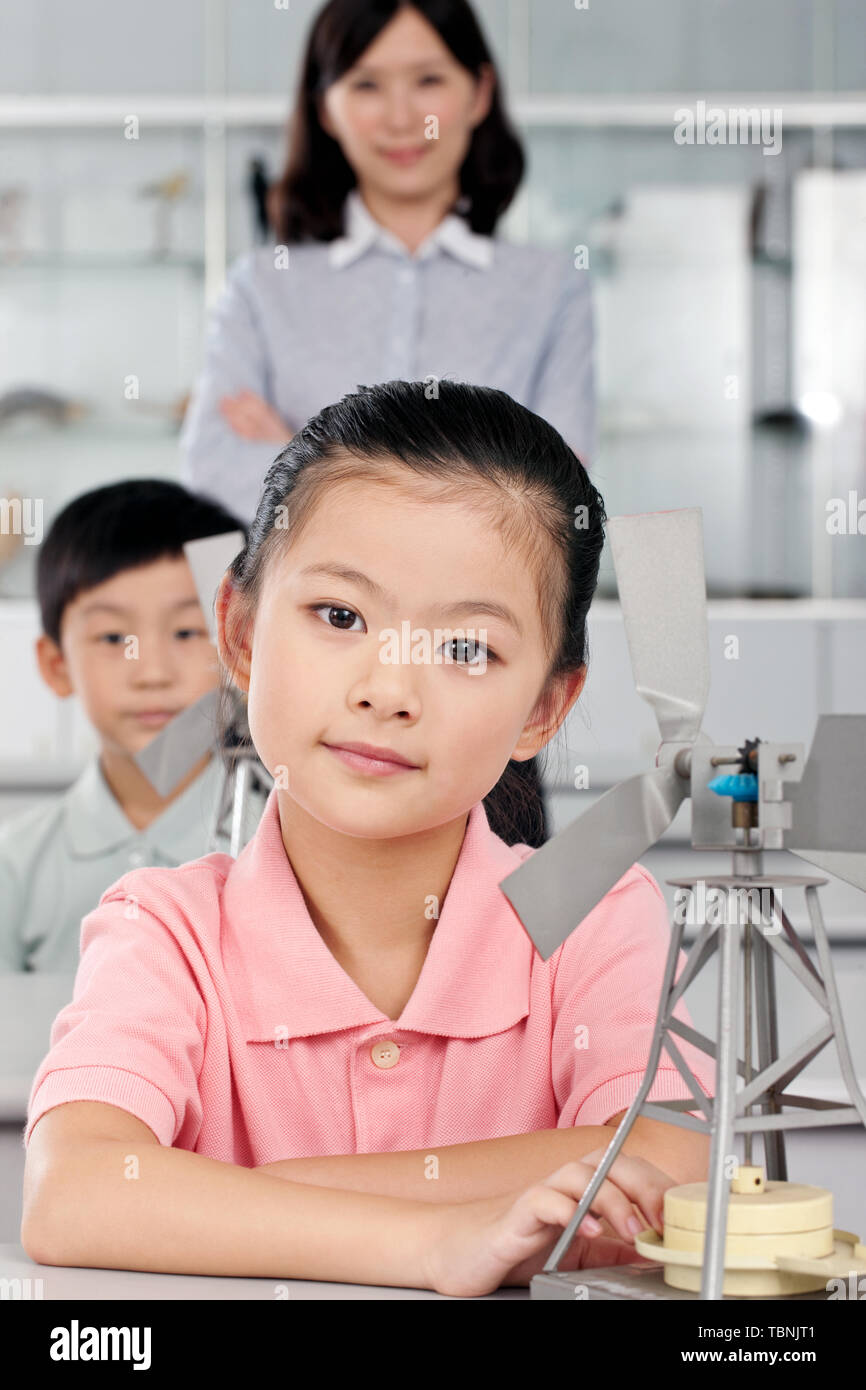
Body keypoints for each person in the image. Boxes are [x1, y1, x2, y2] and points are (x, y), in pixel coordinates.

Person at [22, 381, 714, 1295]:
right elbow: (75, 1192)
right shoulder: (166, 931)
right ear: (239, 631)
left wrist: (225, 1201)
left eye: (466, 649)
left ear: (544, 708)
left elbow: (673, 1174)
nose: (389, 690)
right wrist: (437, 1241)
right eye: (340, 617)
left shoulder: (595, 915)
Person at [179, 0, 599, 849]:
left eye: (430, 80)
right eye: (367, 83)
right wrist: (466, 491)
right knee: (266, 951)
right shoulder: (267, 284)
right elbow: (210, 468)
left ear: (479, 93)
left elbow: (563, 499)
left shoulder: (547, 287)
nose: (403, 116)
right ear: (325, 104)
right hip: (307, 689)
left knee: (508, 951)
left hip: (468, 689)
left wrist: (300, 449)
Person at [0, 480, 266, 971]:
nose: (152, 672)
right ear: (57, 665)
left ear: (239, 649)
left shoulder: (286, 849)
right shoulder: (14, 865)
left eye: (187, 631)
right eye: (114, 636)